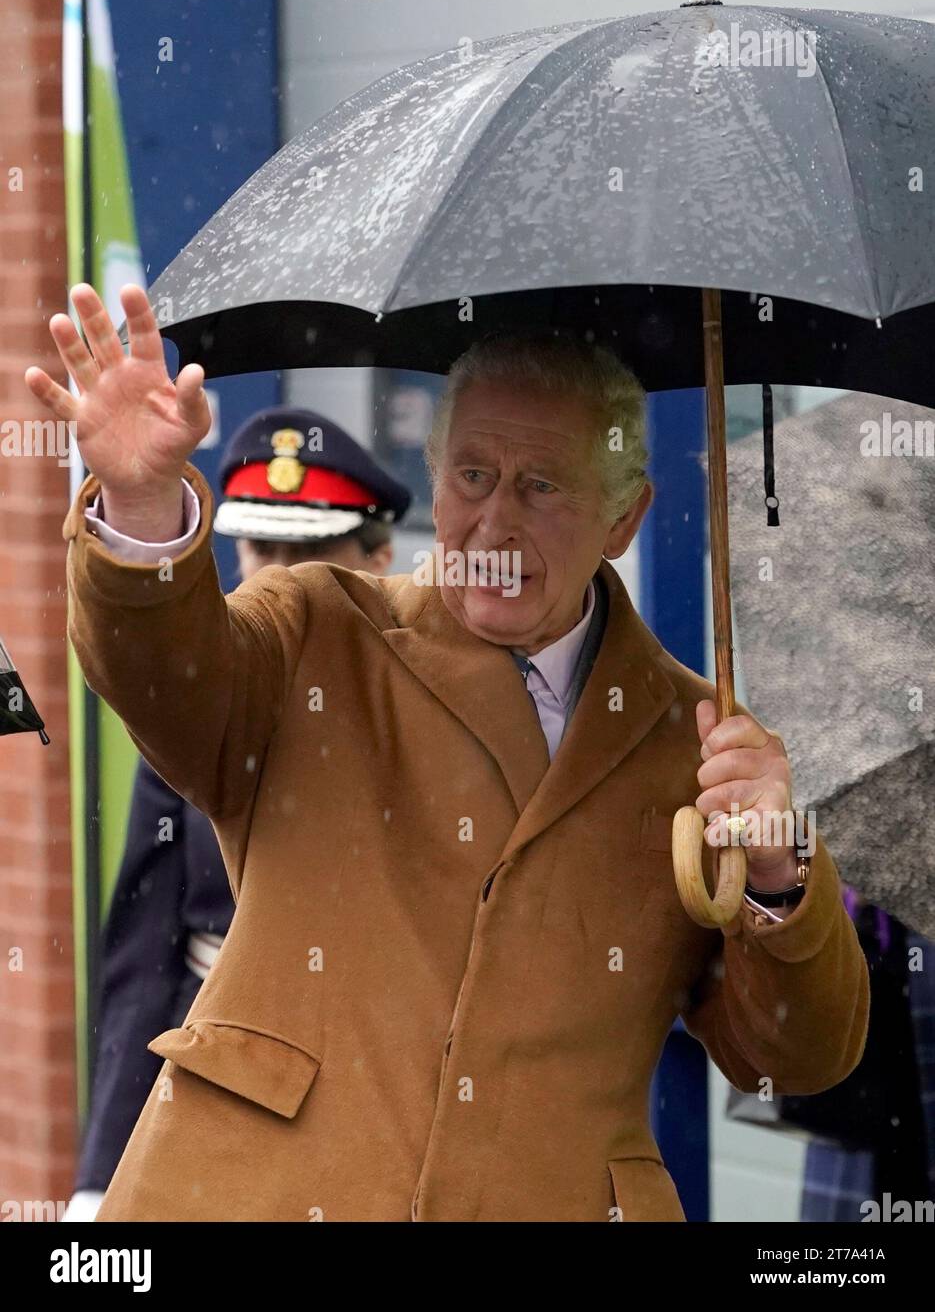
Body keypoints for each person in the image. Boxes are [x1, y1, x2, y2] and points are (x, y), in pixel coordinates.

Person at [28, 283, 869, 1222]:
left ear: (625, 517)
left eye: (540, 484)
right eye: (472, 476)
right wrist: (142, 505)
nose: (494, 521)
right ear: (433, 481)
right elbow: (161, 675)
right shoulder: (315, 627)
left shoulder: (700, 741)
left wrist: (775, 878)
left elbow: (793, 1057)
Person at [60, 406, 410, 1222]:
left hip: (375, 1095)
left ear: (381, 554)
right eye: (261, 550)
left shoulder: (426, 708)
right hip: (215, 1085)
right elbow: (145, 961)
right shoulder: (195, 718)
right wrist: (97, 1176)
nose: (278, 580)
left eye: (312, 554)